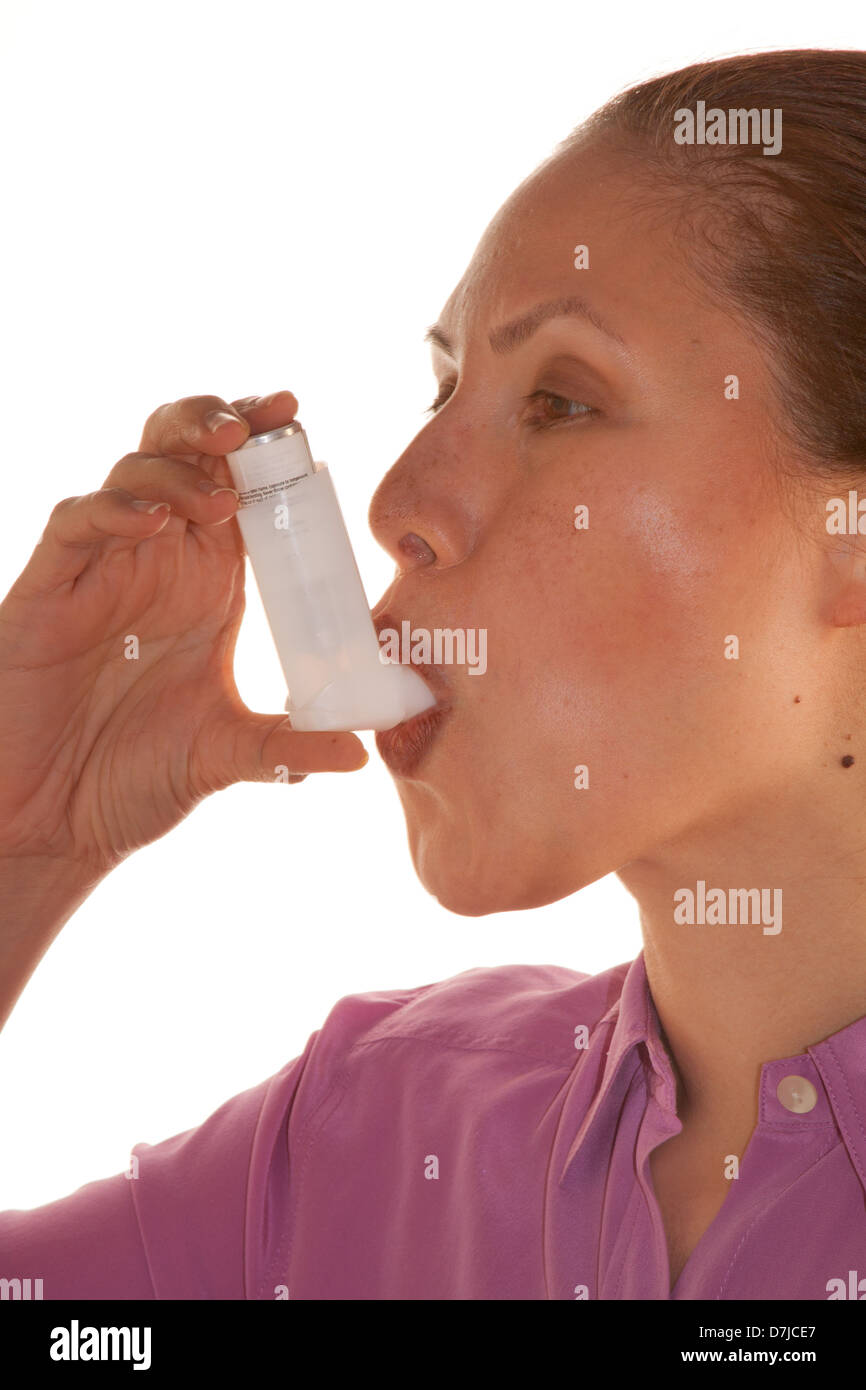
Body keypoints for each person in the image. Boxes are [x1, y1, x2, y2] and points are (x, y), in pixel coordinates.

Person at [2, 46, 866, 1301]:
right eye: (444, 384)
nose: (398, 502)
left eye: (560, 400)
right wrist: (24, 839)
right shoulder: (368, 1129)